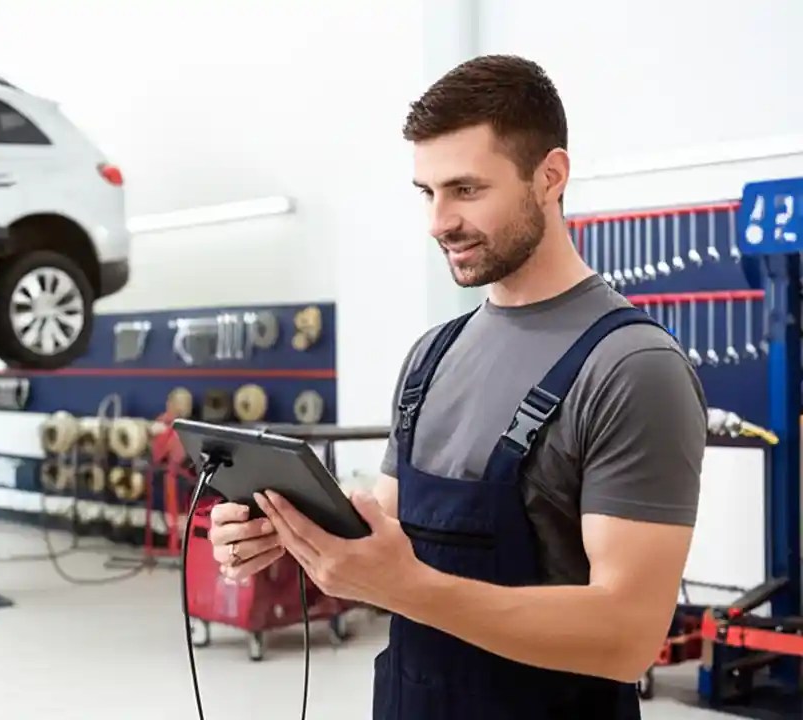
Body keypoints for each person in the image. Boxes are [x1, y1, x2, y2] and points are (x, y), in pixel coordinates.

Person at [206, 54, 706, 719]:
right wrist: (289, 534)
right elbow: (384, 543)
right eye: (427, 192)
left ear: (550, 177)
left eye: (466, 189)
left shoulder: (633, 368)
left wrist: (409, 587)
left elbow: (628, 637)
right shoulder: (430, 357)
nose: (438, 222)